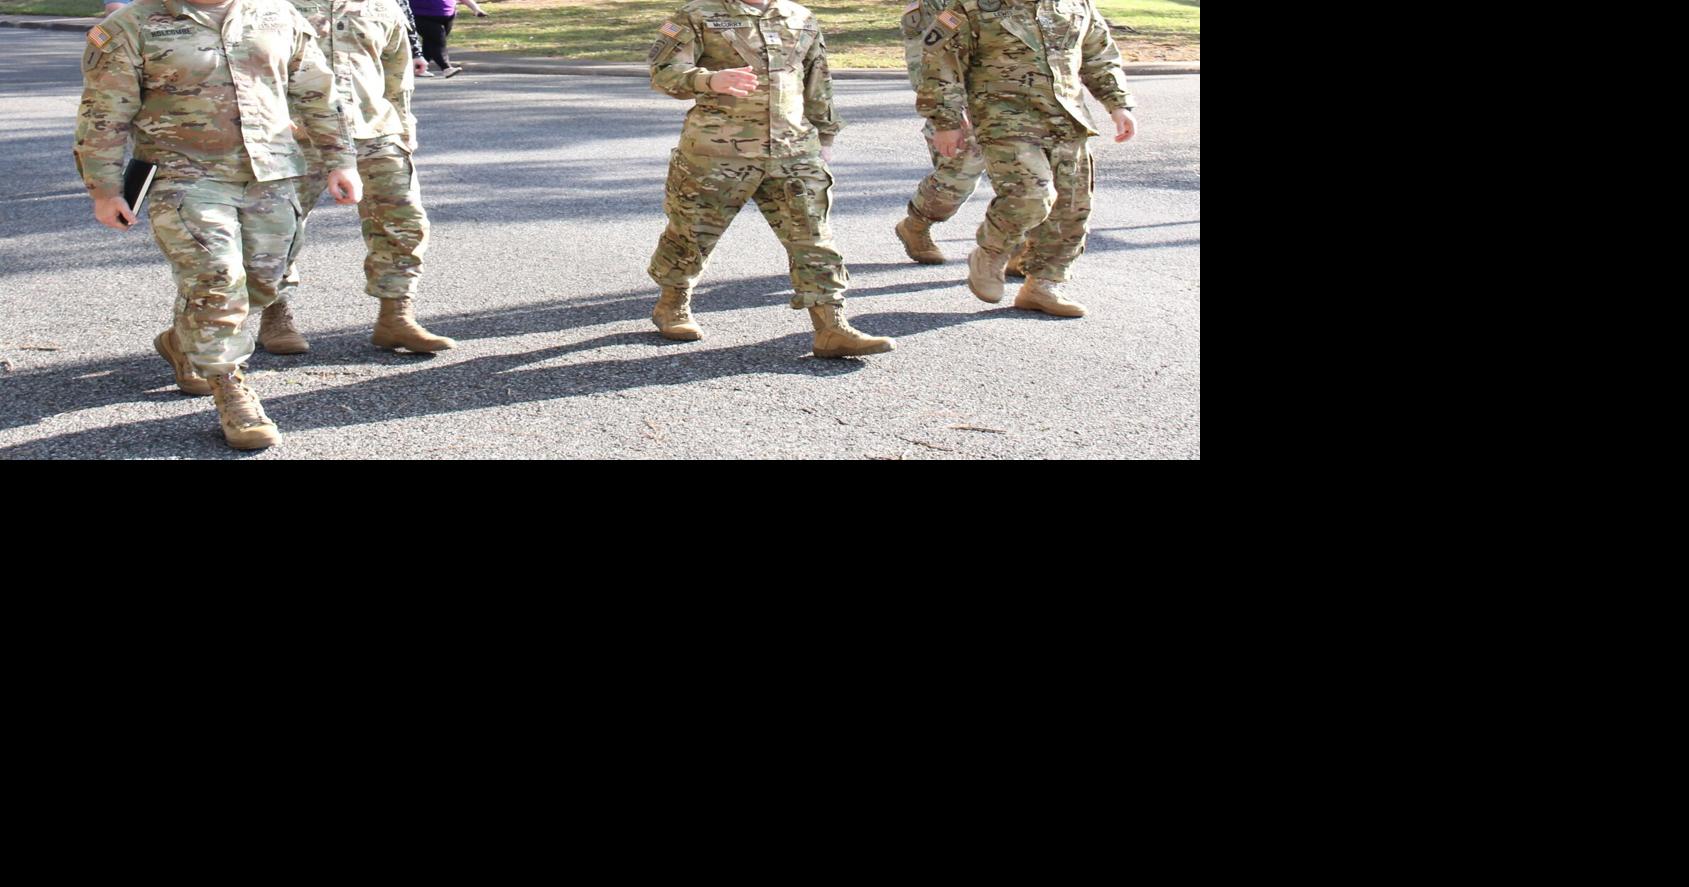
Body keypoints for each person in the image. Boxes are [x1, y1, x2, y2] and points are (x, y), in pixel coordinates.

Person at [74, 0, 362, 450]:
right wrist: (105, 189)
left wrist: (340, 160)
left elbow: (317, 92)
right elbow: (104, 111)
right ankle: (231, 389)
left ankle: (182, 340)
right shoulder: (132, 25)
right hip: (184, 175)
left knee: (265, 284)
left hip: (273, 171)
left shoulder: (277, 15)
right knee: (217, 277)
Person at [646, 0, 894, 358]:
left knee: (813, 236)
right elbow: (664, 71)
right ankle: (672, 303)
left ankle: (831, 327)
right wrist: (709, 79)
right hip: (718, 152)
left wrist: (826, 136)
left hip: (793, 150)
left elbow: (817, 78)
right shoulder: (697, 15)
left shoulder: (801, 18)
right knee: (692, 233)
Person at [919, 0, 1137, 318]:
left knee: (1072, 206)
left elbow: (1098, 53)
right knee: (1031, 195)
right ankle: (992, 251)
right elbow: (939, 61)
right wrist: (945, 119)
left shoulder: (1076, 4)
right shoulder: (967, 7)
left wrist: (1119, 105)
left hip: (1067, 118)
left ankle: (1043, 285)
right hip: (1004, 118)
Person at [272, 0, 455, 356]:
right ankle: (275, 314)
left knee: (403, 221)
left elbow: (396, 69)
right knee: (278, 226)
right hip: (296, 133)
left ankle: (396, 317)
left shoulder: (383, 5)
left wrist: (403, 127)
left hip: (374, 130)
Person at [894, 0, 1025, 276]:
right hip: (959, 98)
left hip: (1012, 95)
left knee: (1026, 172)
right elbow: (927, 60)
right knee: (960, 174)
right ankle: (916, 224)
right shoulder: (936, 6)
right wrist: (948, 114)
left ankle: (1014, 246)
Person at [411, 0, 487, 78]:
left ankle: (419, 68)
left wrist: (476, 9)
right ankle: (446, 68)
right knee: (438, 41)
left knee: (431, 42)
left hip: (448, 15)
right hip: (422, 15)